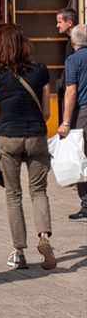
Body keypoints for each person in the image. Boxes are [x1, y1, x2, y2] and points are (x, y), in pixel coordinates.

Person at [0, 23, 57, 270]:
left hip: (9, 137)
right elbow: (47, 111)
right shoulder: (40, 71)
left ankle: (18, 251)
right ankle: (44, 237)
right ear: (24, 44)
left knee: (13, 195)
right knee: (39, 191)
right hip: (36, 135)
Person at [58, 23, 87, 223]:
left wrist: (66, 121)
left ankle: (86, 206)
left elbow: (71, 91)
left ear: (73, 41)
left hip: (83, 113)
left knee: (81, 159)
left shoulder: (73, 60)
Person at [55, 8, 77, 124]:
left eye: (59, 22)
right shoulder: (70, 41)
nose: (57, 25)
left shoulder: (75, 43)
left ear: (69, 23)